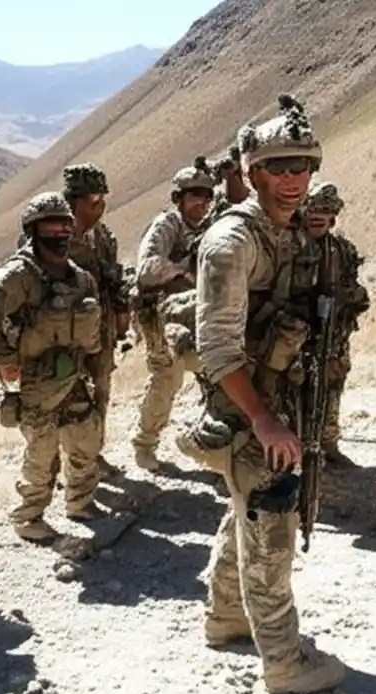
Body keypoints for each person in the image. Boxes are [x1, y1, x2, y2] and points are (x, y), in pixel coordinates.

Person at [176, 94, 346, 694]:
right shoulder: (232, 243)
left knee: (245, 509)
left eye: (303, 166)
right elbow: (218, 348)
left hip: (280, 399)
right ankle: (283, 663)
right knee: (271, 525)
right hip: (249, 411)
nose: (295, 180)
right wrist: (267, 421)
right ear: (252, 172)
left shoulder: (291, 231)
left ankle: (225, 619)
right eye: (280, 168)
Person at [0, 192, 110, 535]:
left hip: (73, 376)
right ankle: (29, 517)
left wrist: (95, 371)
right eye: (52, 225)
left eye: (66, 224)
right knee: (41, 454)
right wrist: (6, 362)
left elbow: (92, 333)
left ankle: (80, 503)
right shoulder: (19, 277)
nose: (61, 232)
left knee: (85, 441)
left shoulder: (80, 278)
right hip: (35, 385)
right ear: (35, 230)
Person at [130, 158, 218, 470]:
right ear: (179, 199)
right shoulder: (167, 225)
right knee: (167, 378)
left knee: (221, 373)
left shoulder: (211, 227)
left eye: (207, 196)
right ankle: (144, 445)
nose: (202, 202)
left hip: (199, 314)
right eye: (195, 195)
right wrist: (182, 270)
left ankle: (212, 442)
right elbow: (147, 269)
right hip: (162, 315)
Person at [62, 163, 131, 477]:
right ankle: (64, 465)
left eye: (103, 201)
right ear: (73, 203)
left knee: (100, 393)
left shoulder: (103, 236)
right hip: (67, 337)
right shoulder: (54, 238)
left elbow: (113, 276)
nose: (100, 209)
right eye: (93, 203)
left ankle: (93, 456)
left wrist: (120, 313)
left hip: (100, 332)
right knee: (67, 399)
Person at [298, 181, 370, 466]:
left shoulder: (342, 250)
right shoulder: (289, 246)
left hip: (334, 336)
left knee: (333, 389)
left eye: (325, 211)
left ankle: (329, 444)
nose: (318, 215)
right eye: (312, 209)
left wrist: (348, 297)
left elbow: (356, 291)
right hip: (297, 337)